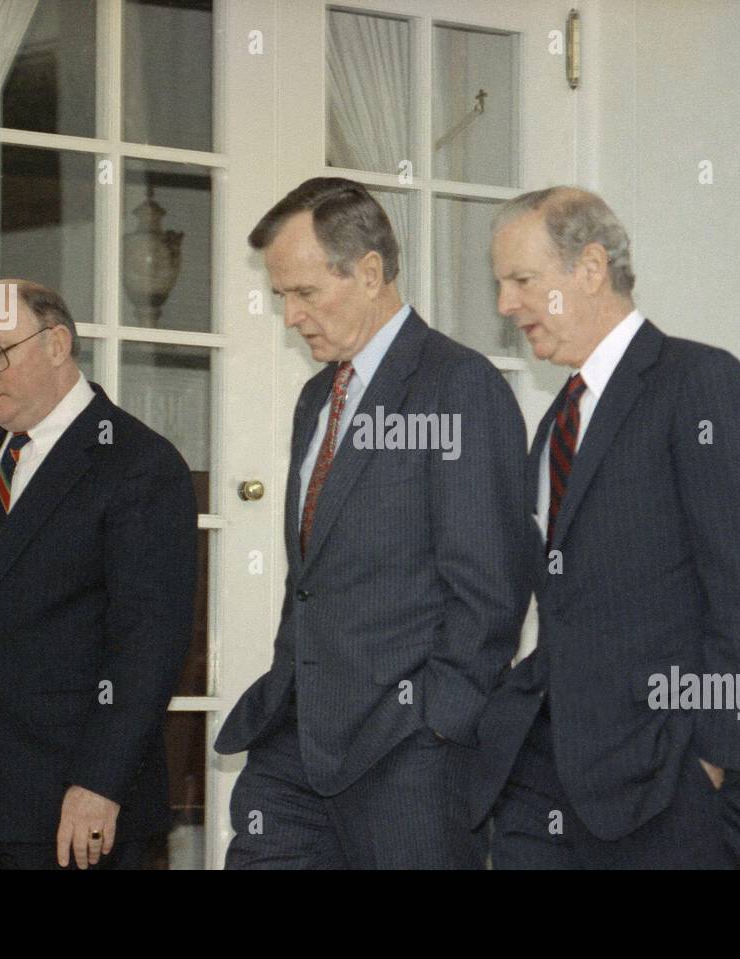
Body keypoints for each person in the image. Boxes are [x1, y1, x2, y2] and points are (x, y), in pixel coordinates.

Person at [472, 187, 740, 868]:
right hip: (545, 773)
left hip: (665, 782)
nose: (505, 305)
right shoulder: (560, 417)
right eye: (501, 284)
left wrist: (710, 759)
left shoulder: (700, 383)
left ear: (590, 268)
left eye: (522, 280)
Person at [215, 178, 528, 868]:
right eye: (280, 297)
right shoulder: (314, 399)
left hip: (407, 753)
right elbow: (313, 580)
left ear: (369, 272)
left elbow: (491, 589)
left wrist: (435, 724)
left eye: (304, 293)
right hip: (293, 741)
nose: (290, 316)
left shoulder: (459, 386)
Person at [0, 280, 198, 869]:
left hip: (64, 804)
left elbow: (148, 648)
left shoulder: (140, 464)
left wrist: (100, 784)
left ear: (57, 344)